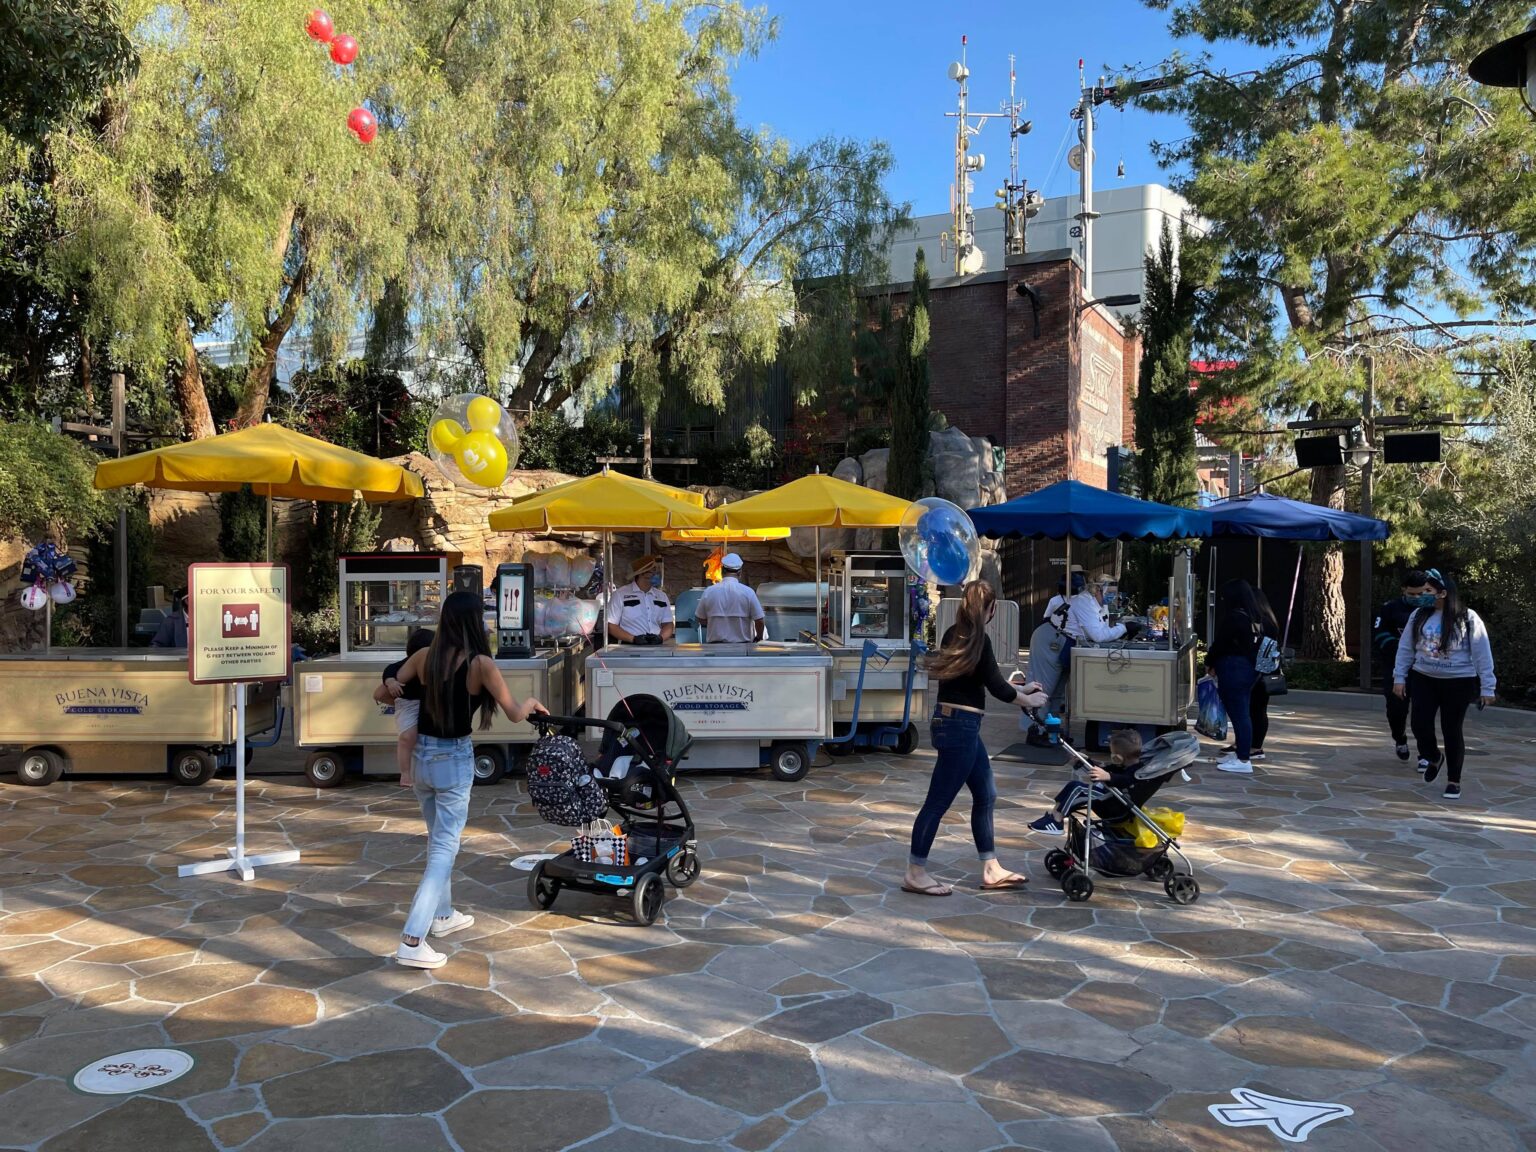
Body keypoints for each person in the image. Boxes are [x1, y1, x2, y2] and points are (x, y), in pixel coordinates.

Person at [388, 592, 547, 968]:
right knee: (444, 852)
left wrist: (390, 683)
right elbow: (513, 714)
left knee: (436, 843)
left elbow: (394, 679)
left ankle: (442, 916)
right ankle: (412, 938)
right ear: (475, 622)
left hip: (421, 759)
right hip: (454, 760)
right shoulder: (481, 665)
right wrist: (531, 704)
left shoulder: (425, 656)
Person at [903, 580, 1049, 897]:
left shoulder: (956, 634)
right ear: (990, 608)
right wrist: (1030, 701)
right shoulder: (978, 639)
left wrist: (1023, 691)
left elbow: (988, 680)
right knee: (937, 802)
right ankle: (915, 872)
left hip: (954, 723)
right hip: (961, 728)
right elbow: (999, 689)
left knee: (986, 795)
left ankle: (991, 868)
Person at [1392, 569, 1496, 801]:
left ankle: (1453, 781)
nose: (1422, 595)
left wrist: (1488, 686)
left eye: (1428, 591)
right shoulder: (1418, 615)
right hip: (1423, 678)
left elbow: (1482, 653)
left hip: (1458, 682)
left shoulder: (1467, 617)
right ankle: (1433, 757)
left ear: (1443, 593)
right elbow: (1406, 648)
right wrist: (1399, 677)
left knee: (1451, 729)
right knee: (1419, 724)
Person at [1028, 729, 1150, 834]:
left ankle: (1057, 821)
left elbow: (1127, 780)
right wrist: (1087, 762)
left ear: (1118, 757)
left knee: (1078, 788)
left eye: (1112, 753)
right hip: (1107, 795)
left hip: (1115, 804)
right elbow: (1101, 772)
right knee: (1073, 785)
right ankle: (1054, 816)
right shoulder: (1121, 766)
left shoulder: (1137, 771)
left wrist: (1109, 777)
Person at [1207, 579, 1265, 775]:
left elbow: (1220, 643)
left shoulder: (1234, 617)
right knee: (1243, 713)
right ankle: (1242, 752)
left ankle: (1243, 759)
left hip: (1233, 669)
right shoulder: (1253, 616)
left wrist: (1209, 661)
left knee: (1240, 715)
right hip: (1248, 670)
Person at [1374, 568, 1432, 761]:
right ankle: (1400, 738)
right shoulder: (1391, 608)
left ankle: (1425, 752)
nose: (1417, 598)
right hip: (1395, 667)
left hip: (1425, 669)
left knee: (1423, 712)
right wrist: (1402, 648)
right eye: (1412, 594)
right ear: (1403, 590)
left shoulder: (1433, 610)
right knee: (1396, 709)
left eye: (1421, 593)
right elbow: (1380, 634)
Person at [1223, 588, 1281, 762]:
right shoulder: (1269, 620)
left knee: (1253, 709)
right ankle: (1248, 743)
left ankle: (1254, 746)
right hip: (1266, 668)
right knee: (1255, 708)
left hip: (1256, 668)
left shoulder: (1258, 621)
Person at [374, 628, 434, 787]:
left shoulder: (433, 666)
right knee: (407, 737)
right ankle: (405, 773)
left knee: (422, 740)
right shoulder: (404, 664)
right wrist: (391, 682)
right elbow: (389, 671)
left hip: (425, 704)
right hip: (406, 703)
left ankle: (421, 771)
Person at [695, 553, 765, 643]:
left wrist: (715, 623)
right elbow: (759, 620)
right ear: (740, 573)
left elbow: (700, 618)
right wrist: (759, 638)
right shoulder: (748, 592)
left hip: (714, 648)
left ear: (721, 571)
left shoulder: (709, 592)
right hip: (743, 649)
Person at [606, 555, 674, 645]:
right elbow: (611, 626)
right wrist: (633, 639)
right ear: (642, 573)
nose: (657, 574)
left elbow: (668, 624)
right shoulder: (620, 595)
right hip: (629, 647)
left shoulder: (662, 596)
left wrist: (660, 638)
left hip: (657, 647)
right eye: (653, 570)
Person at [1065, 573, 1142, 645]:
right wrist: (1124, 628)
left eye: (1114, 593)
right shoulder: (1083, 602)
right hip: (1068, 643)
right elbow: (1098, 636)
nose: (1113, 596)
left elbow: (1105, 628)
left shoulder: (1103, 604)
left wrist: (1122, 626)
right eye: (1110, 592)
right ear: (1098, 589)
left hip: (1083, 643)